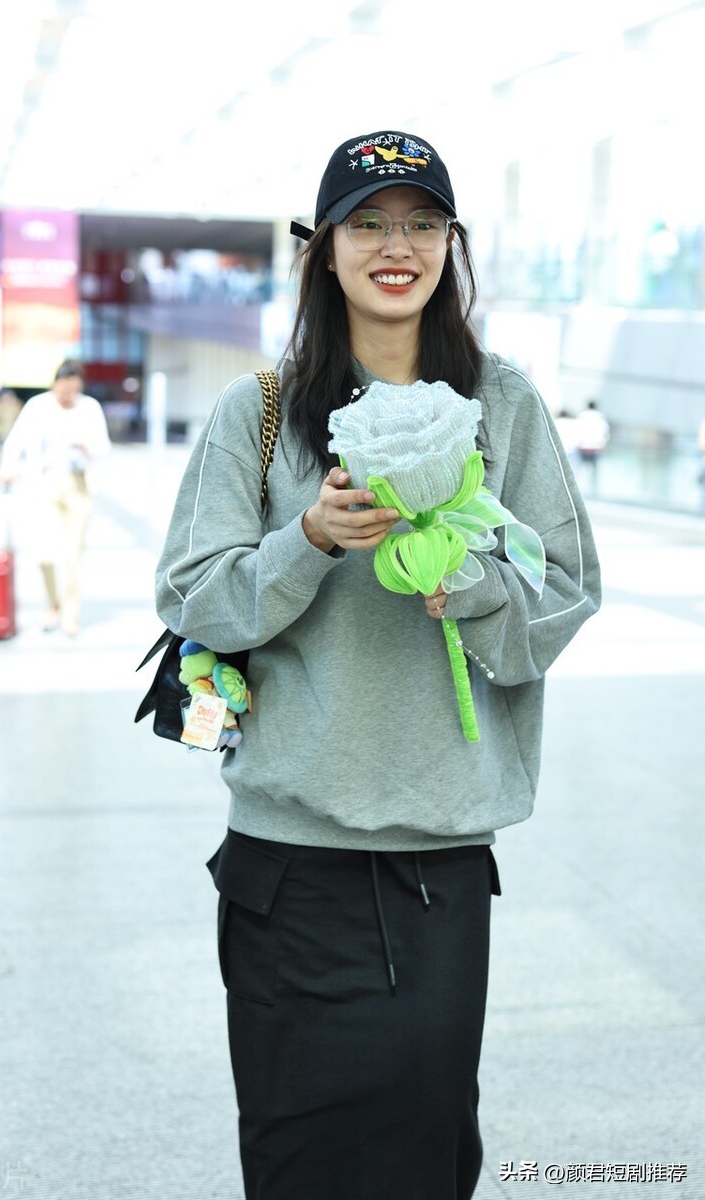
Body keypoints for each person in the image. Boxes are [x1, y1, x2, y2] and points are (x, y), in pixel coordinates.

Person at [154, 129, 602, 1200]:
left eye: (420, 224)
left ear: (452, 244)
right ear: (322, 249)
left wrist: (470, 582)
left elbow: (566, 589)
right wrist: (307, 538)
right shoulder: (260, 410)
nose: (395, 247)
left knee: (425, 1154)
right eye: (366, 224)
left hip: (440, 857)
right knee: (298, 1156)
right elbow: (192, 596)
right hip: (288, 860)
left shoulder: (502, 404)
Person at [0, 359, 111, 637]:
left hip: (79, 485)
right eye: (63, 390)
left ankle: (70, 614)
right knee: (44, 553)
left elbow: (103, 446)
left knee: (73, 555)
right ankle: (53, 604)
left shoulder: (89, 407)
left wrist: (87, 445)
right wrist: (8, 466)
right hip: (44, 483)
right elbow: (16, 439)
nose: (67, 396)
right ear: (54, 385)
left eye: (73, 391)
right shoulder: (37, 406)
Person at [576, 399, 610, 493]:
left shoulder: (581, 417)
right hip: (596, 448)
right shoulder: (601, 419)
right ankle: (594, 491)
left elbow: (577, 432)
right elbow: (605, 435)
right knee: (595, 473)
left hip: (583, 447)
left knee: (580, 471)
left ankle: (580, 491)